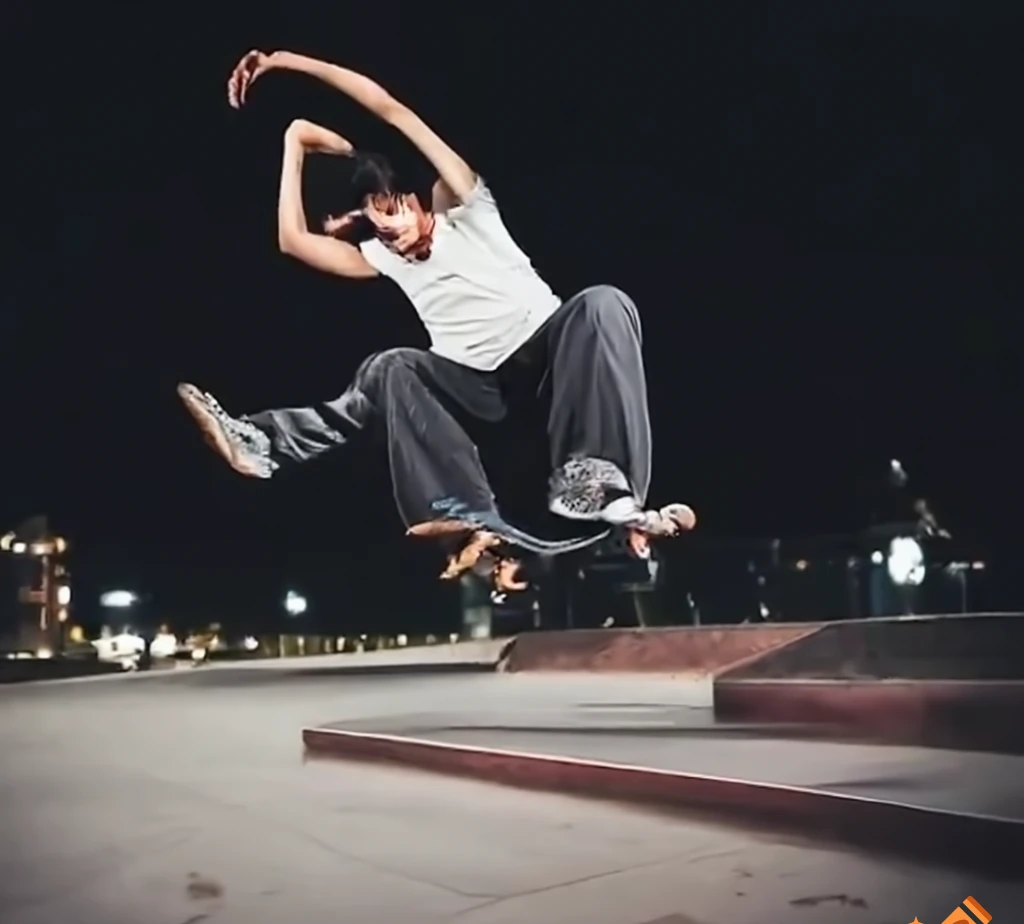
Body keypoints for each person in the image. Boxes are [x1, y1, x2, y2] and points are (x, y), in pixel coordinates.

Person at [179, 49, 696, 590]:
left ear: (417, 198)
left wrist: (286, 60)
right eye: (380, 231)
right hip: (478, 391)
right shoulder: (382, 258)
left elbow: (389, 108)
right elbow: (292, 240)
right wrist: (294, 141)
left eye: (396, 214)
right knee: (391, 368)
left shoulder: (466, 207)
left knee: (602, 304)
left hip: (549, 362)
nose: (395, 236)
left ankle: (597, 478)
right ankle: (290, 452)